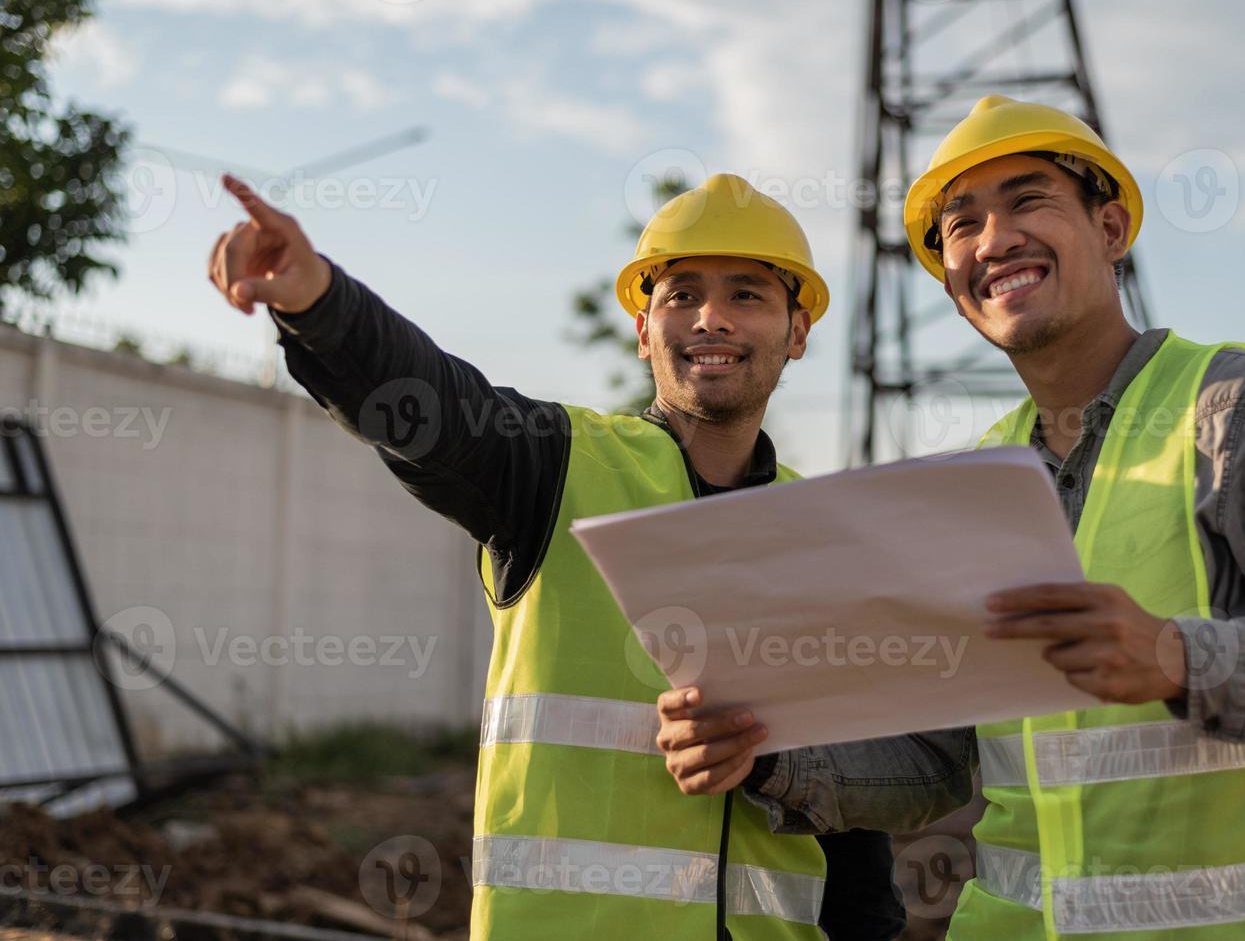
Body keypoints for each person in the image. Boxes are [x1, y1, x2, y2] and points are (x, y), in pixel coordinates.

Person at [655, 96, 1245, 939]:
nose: (993, 240)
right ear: (957, 289)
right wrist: (768, 755)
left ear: (1111, 229)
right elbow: (939, 757)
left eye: (1028, 201)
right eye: (961, 225)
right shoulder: (973, 483)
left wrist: (1178, 658)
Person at [205, 172, 905, 939]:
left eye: (747, 294)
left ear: (796, 332)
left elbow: (857, 817)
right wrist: (318, 301)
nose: (710, 318)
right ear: (644, 331)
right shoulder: (553, 467)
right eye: (679, 295)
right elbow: (429, 402)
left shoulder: (822, 533)